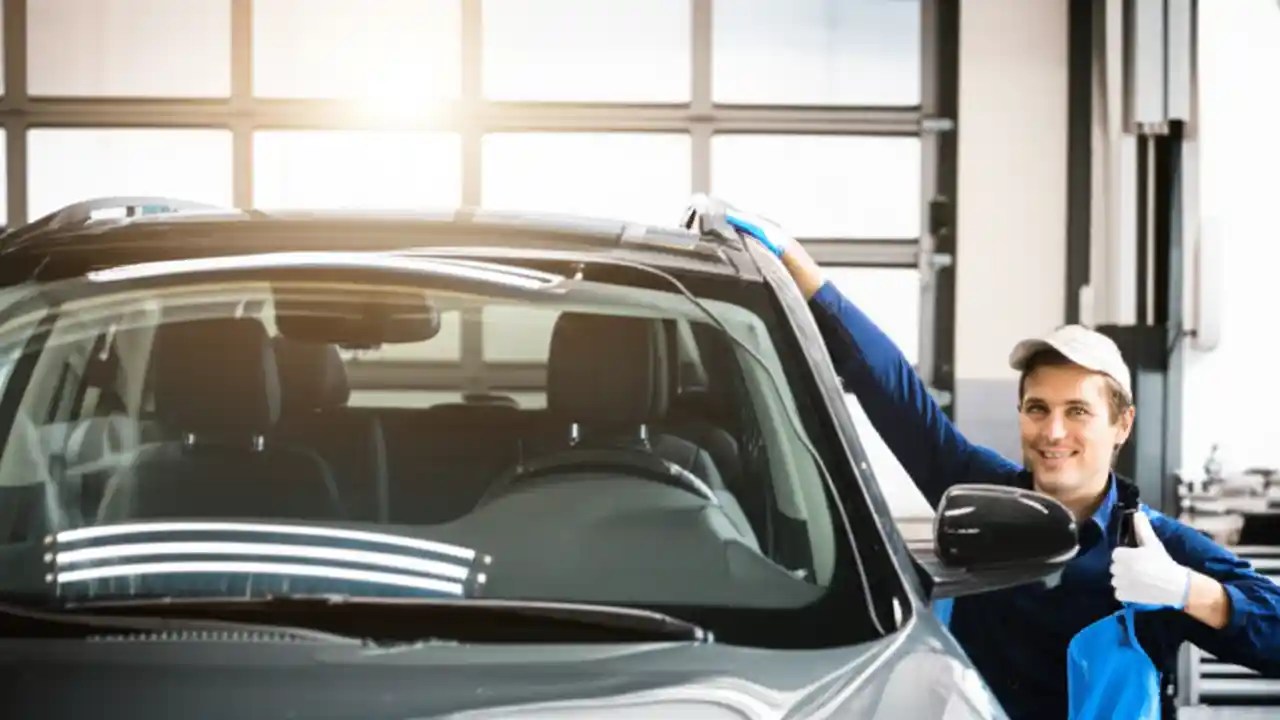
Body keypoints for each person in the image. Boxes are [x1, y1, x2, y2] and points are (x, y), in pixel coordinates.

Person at [753, 228, 1280, 719]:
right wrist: (794, 262)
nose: (1052, 433)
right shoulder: (979, 493)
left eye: (1077, 412)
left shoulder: (1159, 550)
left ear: (1122, 424)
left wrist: (1190, 591)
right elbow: (891, 390)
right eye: (1037, 408)